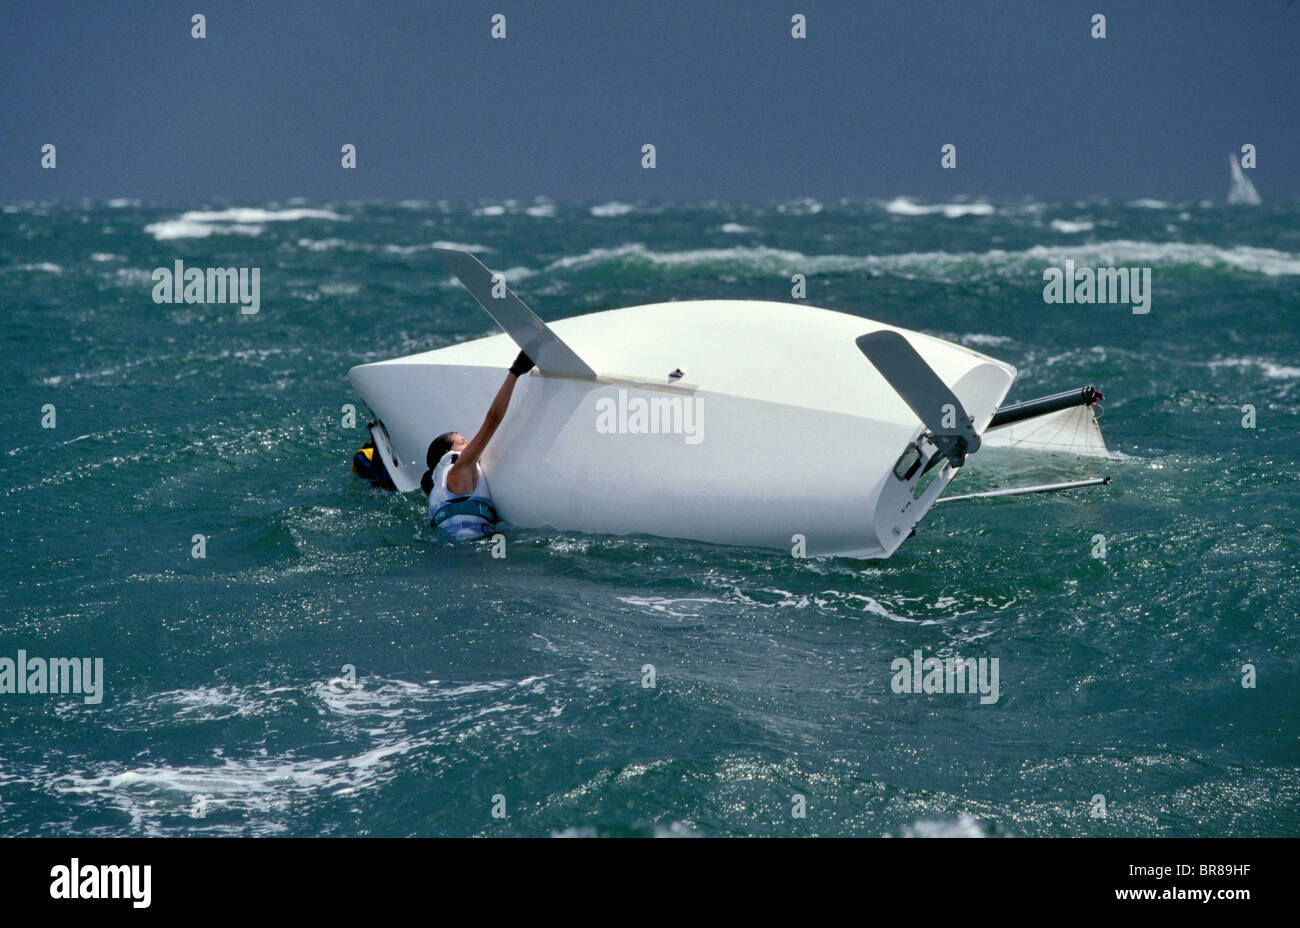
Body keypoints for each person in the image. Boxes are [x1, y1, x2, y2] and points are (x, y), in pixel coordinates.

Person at [420, 350, 535, 538]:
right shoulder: (459, 470)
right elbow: (492, 420)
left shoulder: (439, 489)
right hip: (469, 550)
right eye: (463, 442)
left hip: (458, 550)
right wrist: (515, 372)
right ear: (450, 453)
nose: (471, 443)